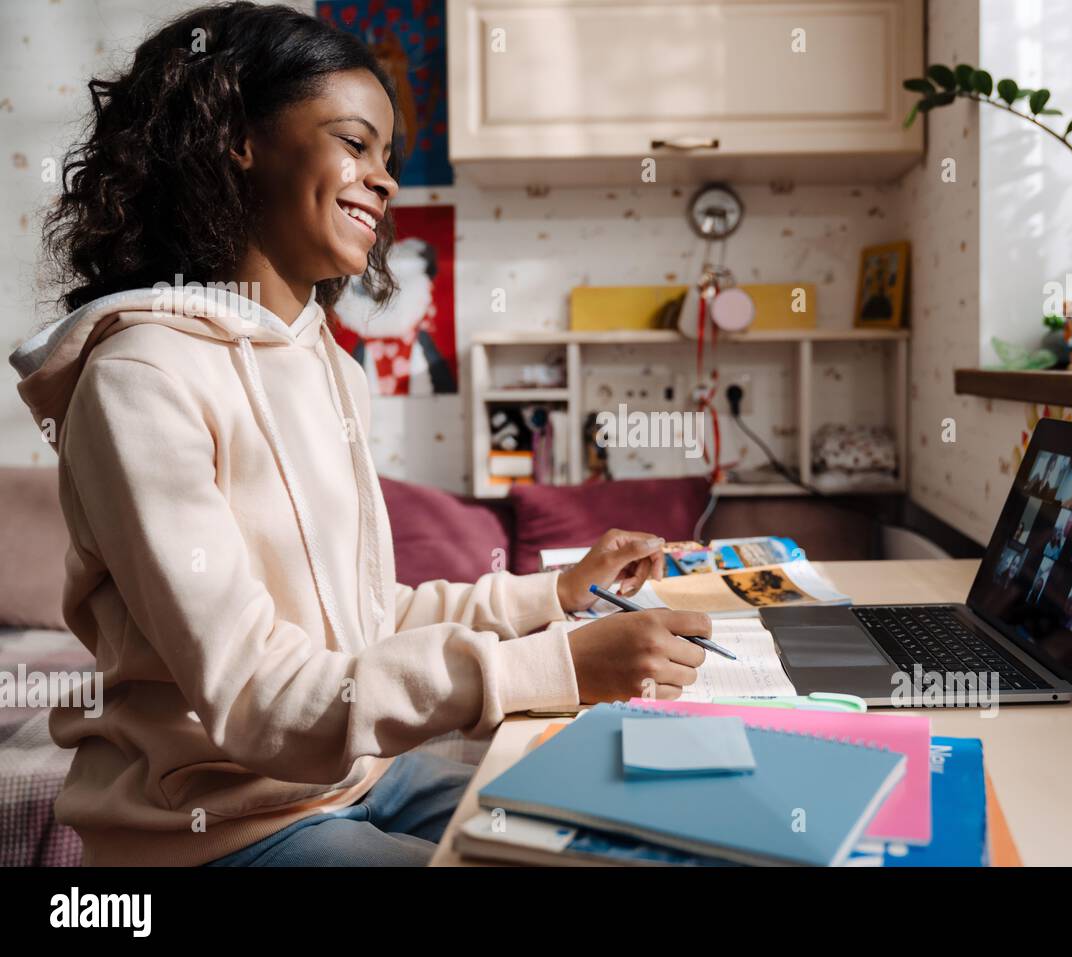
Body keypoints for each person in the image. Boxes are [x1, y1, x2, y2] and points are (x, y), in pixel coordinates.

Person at [13, 2, 707, 867]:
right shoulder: (140, 378)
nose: (383, 180)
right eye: (354, 143)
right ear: (238, 137)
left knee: (636, 837)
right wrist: (554, 667)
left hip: (358, 776)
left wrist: (555, 598)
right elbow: (260, 699)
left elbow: (365, 617)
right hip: (219, 828)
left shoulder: (328, 367)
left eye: (387, 157)